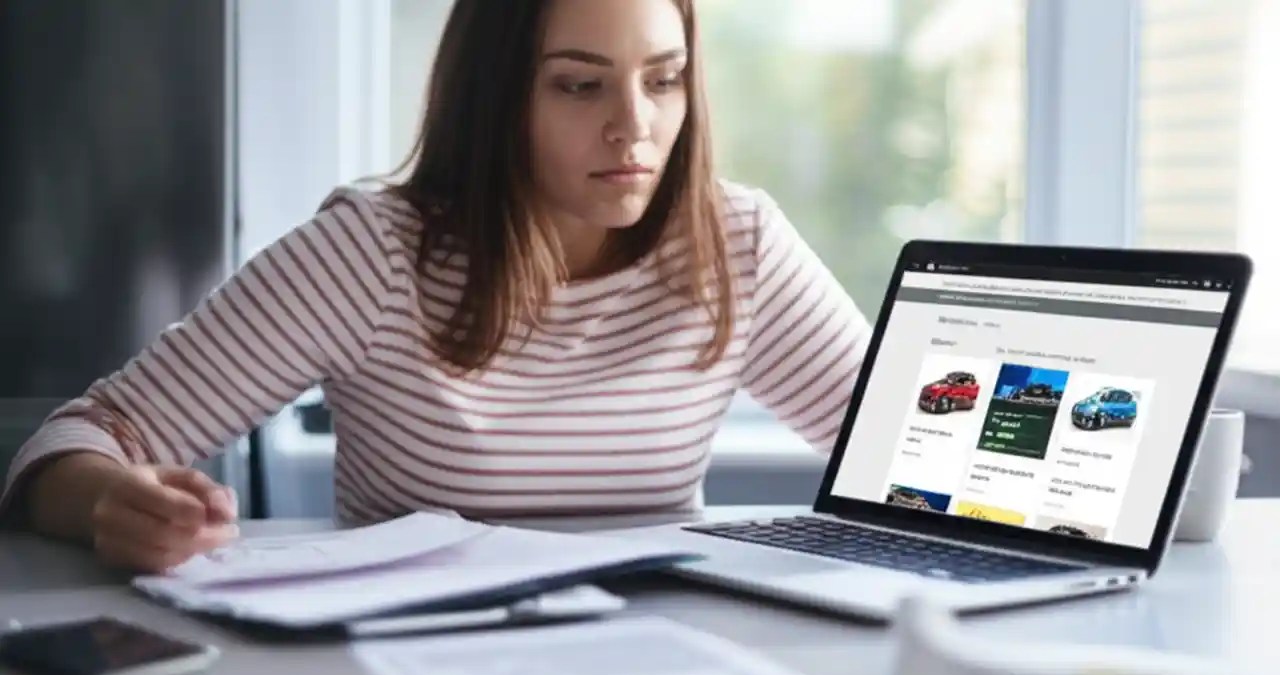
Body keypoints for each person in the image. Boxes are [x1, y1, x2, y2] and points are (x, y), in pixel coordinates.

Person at [0, 0, 870, 572]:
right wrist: (109, 500)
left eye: (665, 79)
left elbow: (901, 462)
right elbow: (73, 441)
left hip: (660, 670)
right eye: (579, 84)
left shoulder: (734, 241)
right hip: (412, 672)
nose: (633, 127)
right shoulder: (372, 253)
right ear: (494, 97)